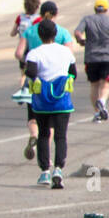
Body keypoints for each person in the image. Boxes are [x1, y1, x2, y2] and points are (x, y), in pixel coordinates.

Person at [24, 18, 77, 189]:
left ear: (40, 35)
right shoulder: (66, 52)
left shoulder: (34, 53)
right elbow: (73, 73)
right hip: (62, 101)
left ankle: (45, 171)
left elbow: (30, 72)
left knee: (44, 135)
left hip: (41, 102)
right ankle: (59, 169)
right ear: (56, 34)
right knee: (61, 136)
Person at [17, 1, 74, 159]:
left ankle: (37, 144)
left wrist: (25, 63)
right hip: (60, 92)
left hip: (38, 90)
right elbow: (72, 67)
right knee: (59, 134)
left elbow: (19, 54)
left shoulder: (30, 32)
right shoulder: (63, 33)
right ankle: (57, 168)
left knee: (38, 124)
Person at [74, 0, 109, 122]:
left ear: (95, 8)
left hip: (91, 57)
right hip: (107, 57)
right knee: (106, 84)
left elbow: (77, 32)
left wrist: (81, 41)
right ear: (106, 9)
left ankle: (97, 113)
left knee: (94, 85)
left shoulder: (87, 19)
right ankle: (102, 101)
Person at [9, 0, 42, 102]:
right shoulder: (38, 19)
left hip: (22, 48)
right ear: (37, 7)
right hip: (33, 48)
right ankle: (31, 92)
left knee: (23, 73)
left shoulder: (20, 17)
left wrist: (19, 31)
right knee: (35, 72)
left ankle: (23, 92)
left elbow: (12, 33)